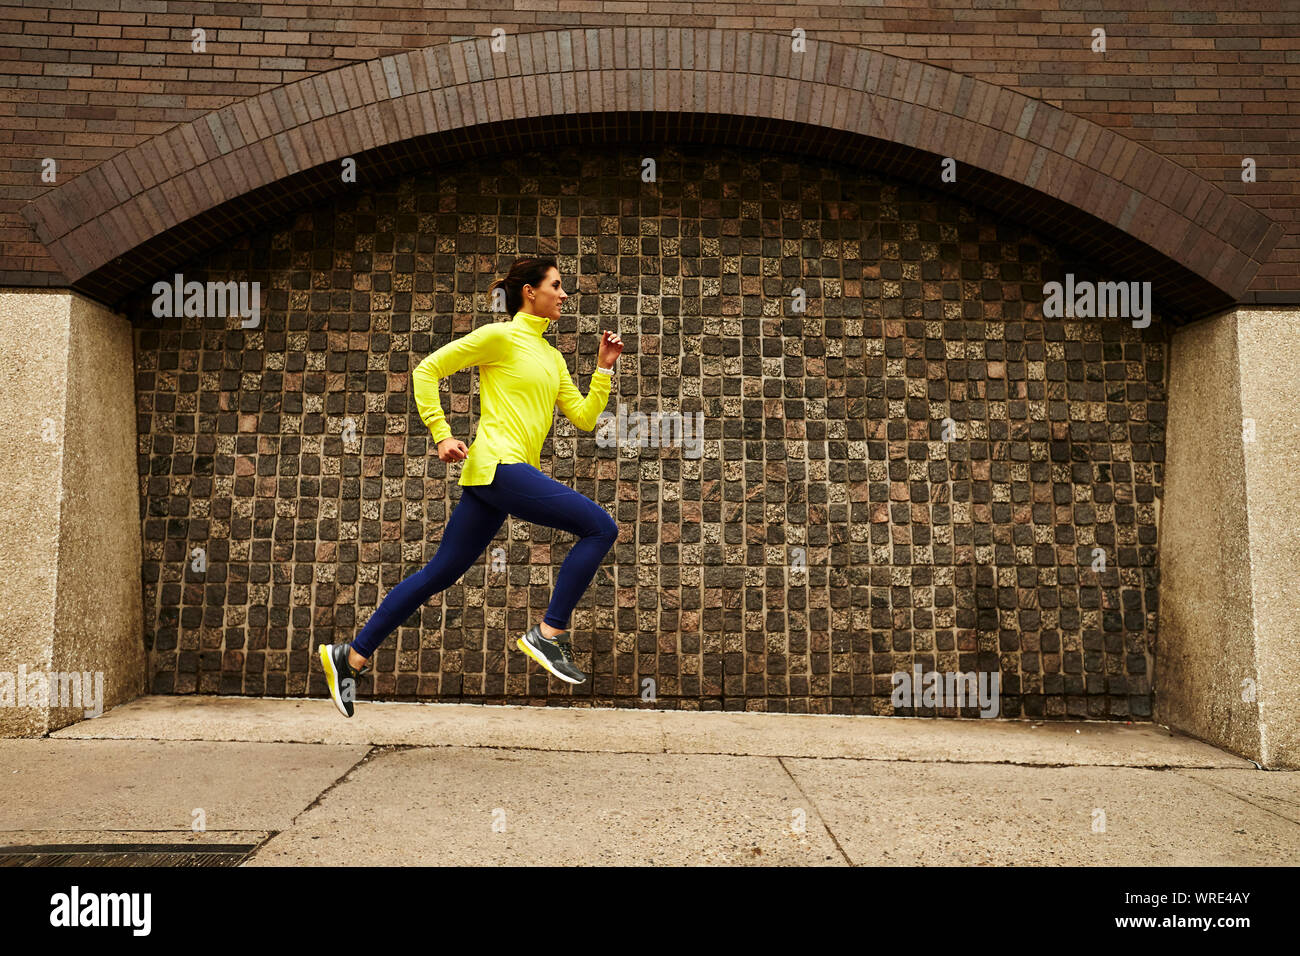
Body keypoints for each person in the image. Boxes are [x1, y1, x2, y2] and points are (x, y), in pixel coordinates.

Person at [318, 257, 624, 717]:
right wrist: (441, 434)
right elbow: (427, 370)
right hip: (499, 466)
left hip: (496, 477)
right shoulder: (500, 337)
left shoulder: (551, 356)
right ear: (530, 292)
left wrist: (603, 369)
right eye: (557, 285)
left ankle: (351, 656)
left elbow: (583, 417)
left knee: (439, 574)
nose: (564, 295)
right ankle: (550, 633)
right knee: (601, 528)